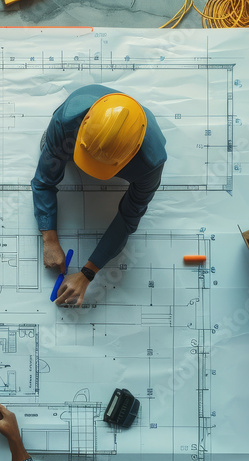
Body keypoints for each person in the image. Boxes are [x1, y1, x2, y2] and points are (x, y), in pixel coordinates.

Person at [32, 84, 168, 305]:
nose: (87, 171)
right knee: (50, 148)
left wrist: (87, 273)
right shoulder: (67, 118)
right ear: (85, 122)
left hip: (136, 156)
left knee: (53, 150)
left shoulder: (151, 164)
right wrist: (49, 238)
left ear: (132, 153)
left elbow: (128, 218)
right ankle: (56, 146)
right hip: (70, 129)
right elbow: (43, 181)